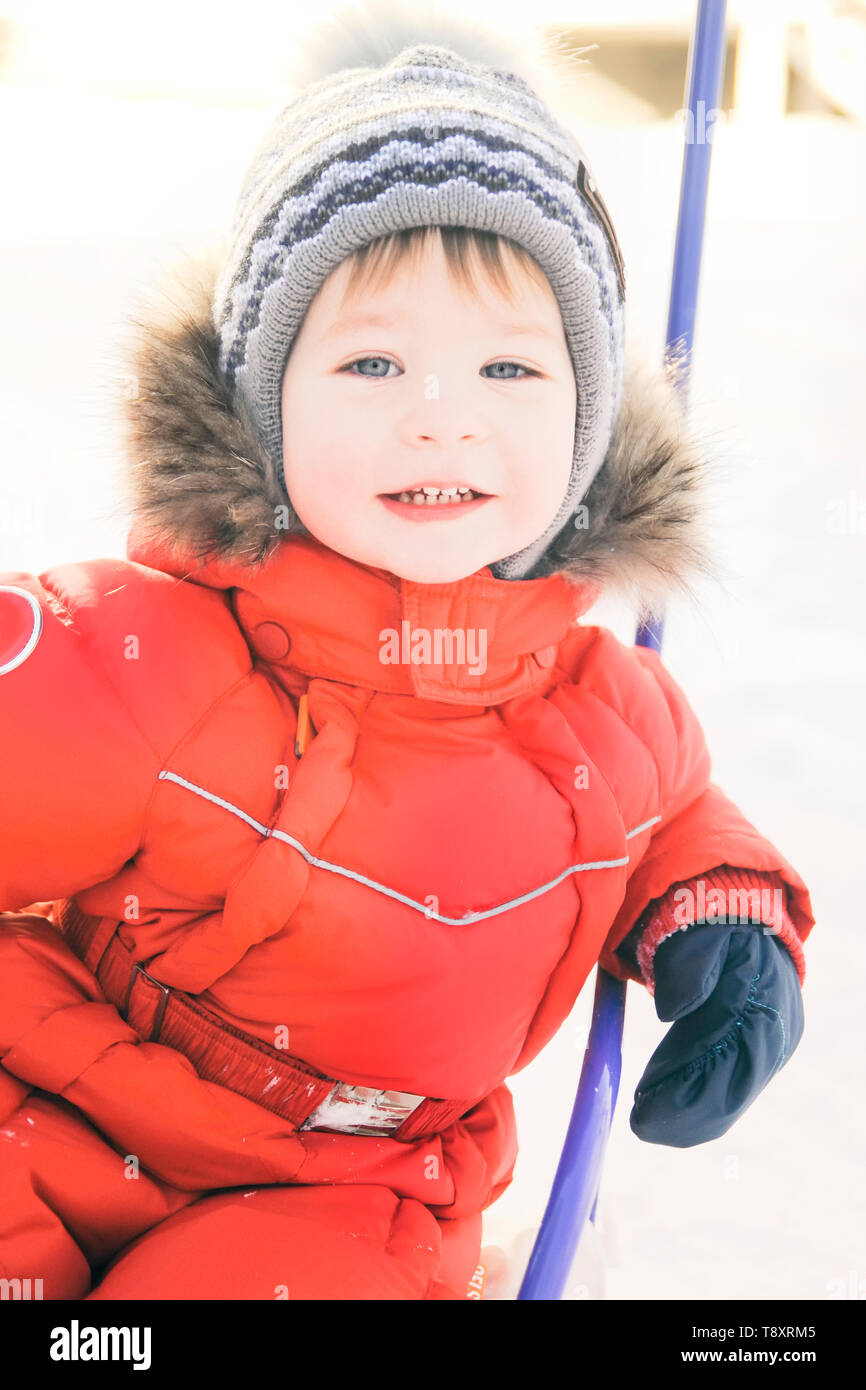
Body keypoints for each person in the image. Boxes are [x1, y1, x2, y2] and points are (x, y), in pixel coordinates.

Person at [0, 2, 813, 1301]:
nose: (440, 420)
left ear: (588, 424)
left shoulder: (610, 710)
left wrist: (726, 927)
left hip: (341, 1191)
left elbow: (663, 817)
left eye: (508, 370)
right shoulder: (147, 653)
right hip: (58, 1093)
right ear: (264, 410)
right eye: (373, 363)